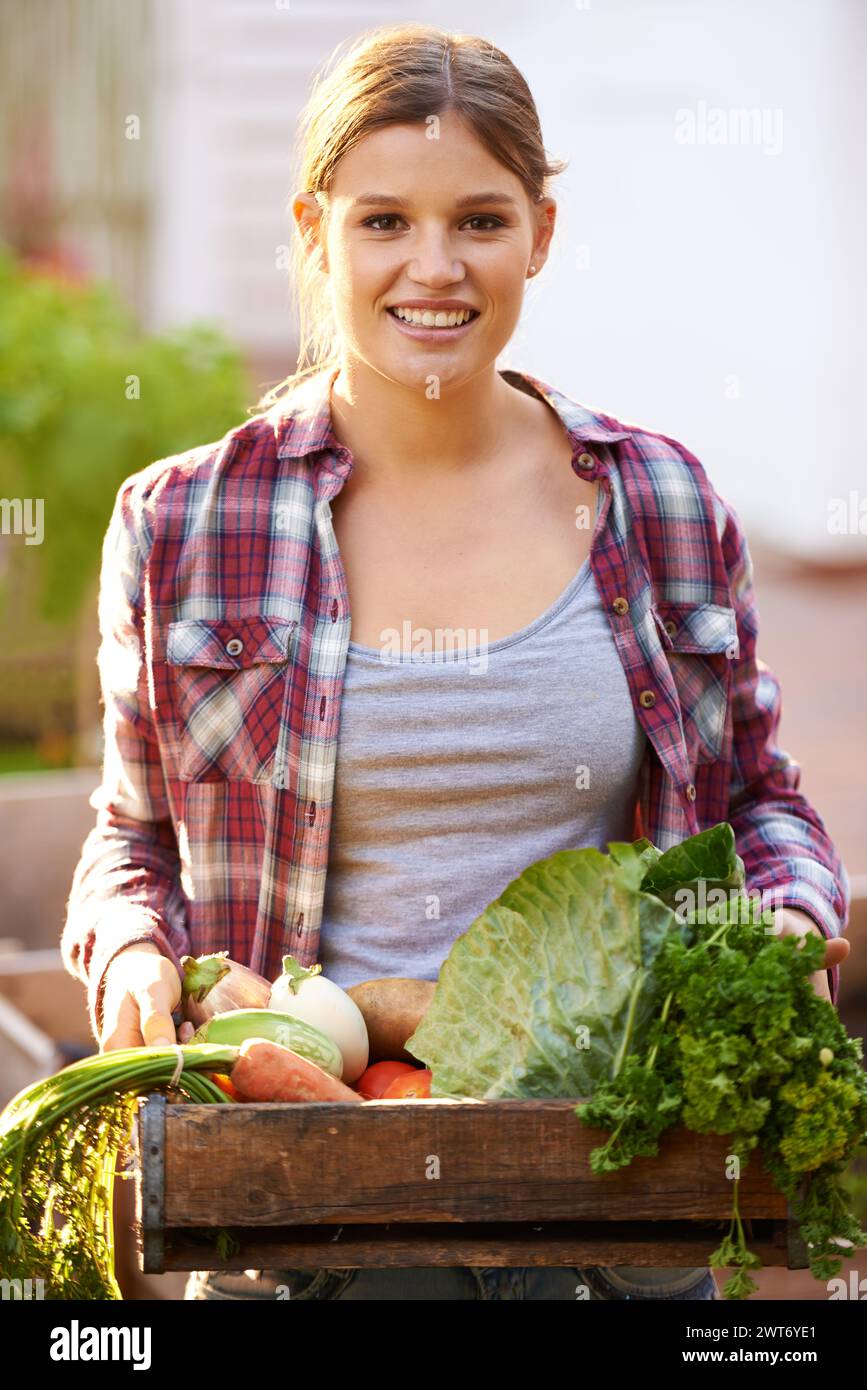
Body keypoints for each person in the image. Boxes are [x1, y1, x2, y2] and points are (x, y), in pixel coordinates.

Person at [62, 23, 850, 1302]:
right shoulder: (187, 524)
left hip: (615, 1176)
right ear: (314, 227)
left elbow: (762, 802)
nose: (434, 268)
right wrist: (134, 951)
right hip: (305, 1184)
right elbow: (130, 836)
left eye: (479, 221)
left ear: (540, 230)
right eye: (385, 222)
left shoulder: (657, 499)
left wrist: (789, 918)